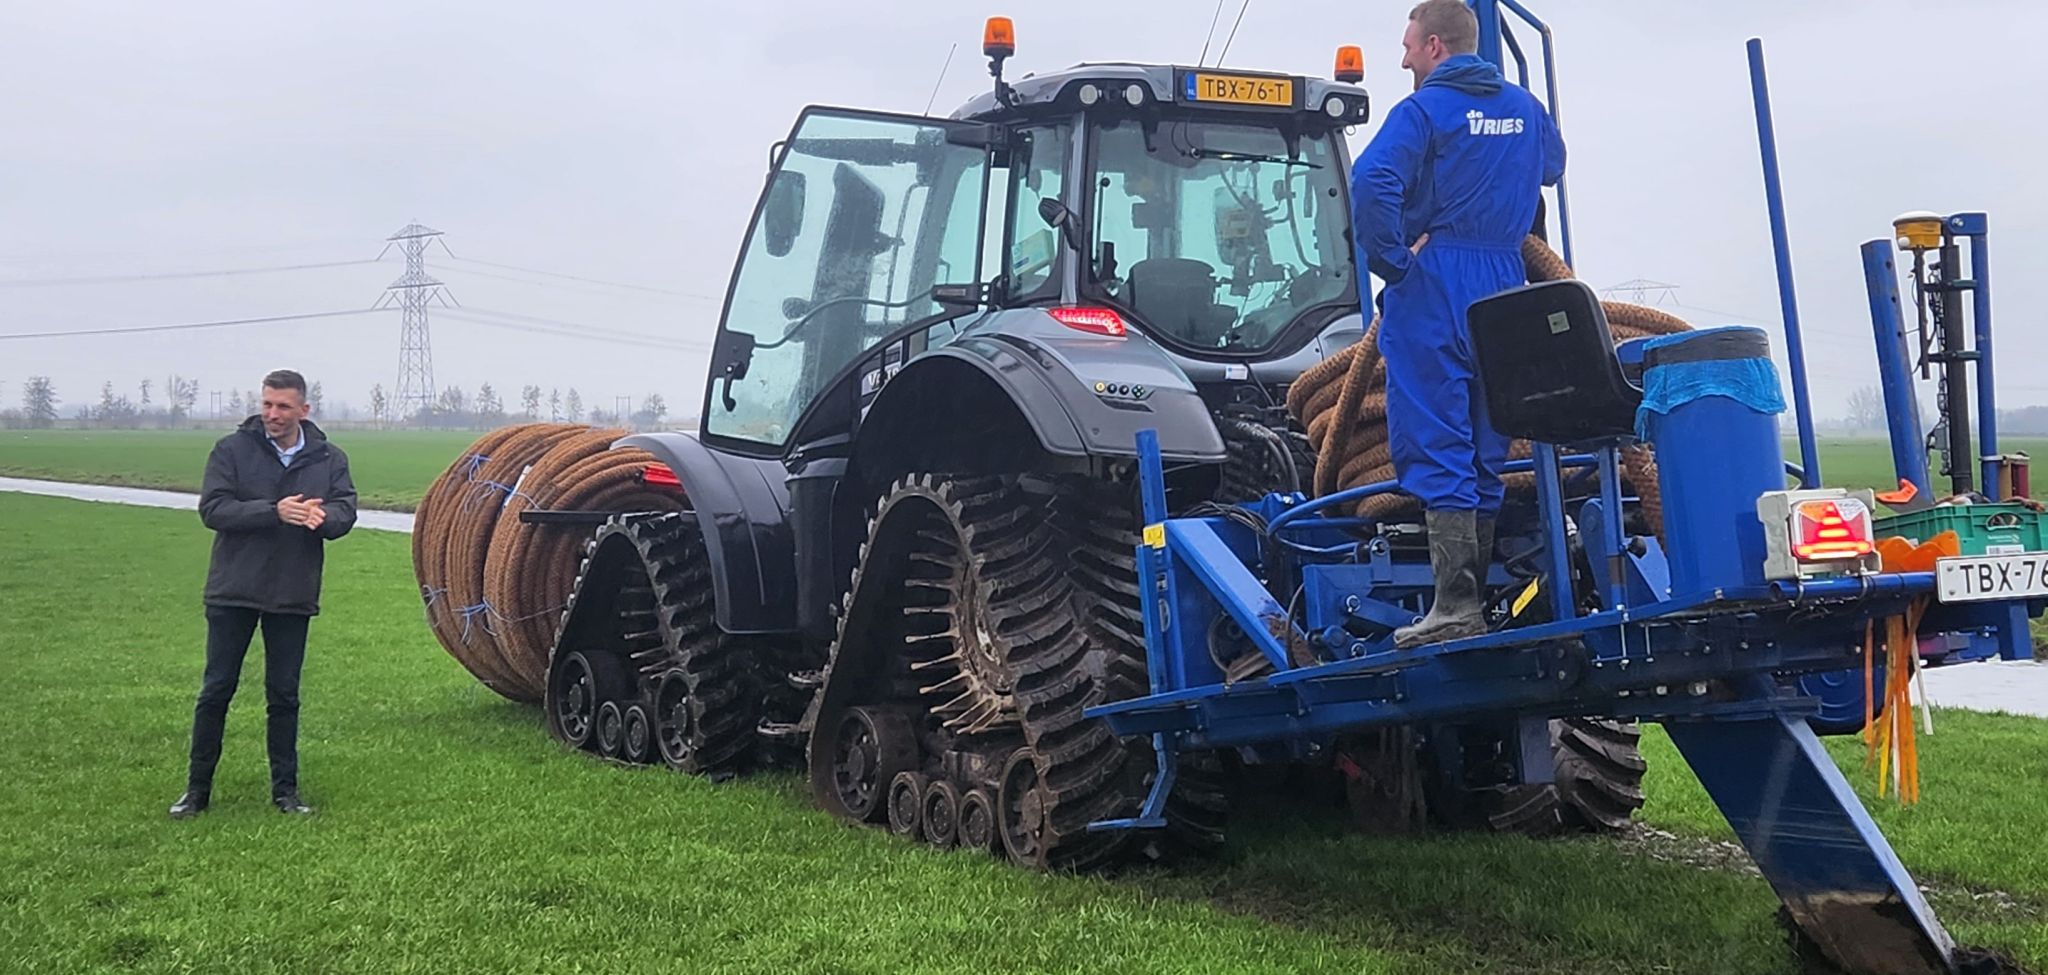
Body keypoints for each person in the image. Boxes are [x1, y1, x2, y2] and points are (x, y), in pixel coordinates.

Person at [1351, 0, 1566, 648]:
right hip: (1505, 284)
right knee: (1487, 440)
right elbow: (1551, 168)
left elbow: (1370, 181)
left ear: (1437, 46)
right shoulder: (1527, 108)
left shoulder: (1422, 112)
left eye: (1411, 45)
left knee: (1436, 435)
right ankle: (1475, 598)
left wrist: (1396, 264)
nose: (1404, 57)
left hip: (1438, 279)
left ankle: (1455, 603)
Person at [170, 369, 356, 818]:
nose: (273, 414)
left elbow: (345, 510)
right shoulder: (231, 450)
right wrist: (274, 511)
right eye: (267, 404)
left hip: (292, 590)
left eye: (283, 406)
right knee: (216, 690)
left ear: (304, 410)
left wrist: (323, 518)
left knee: (284, 695)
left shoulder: (328, 458)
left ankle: (286, 793)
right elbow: (214, 509)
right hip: (233, 589)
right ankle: (196, 792)